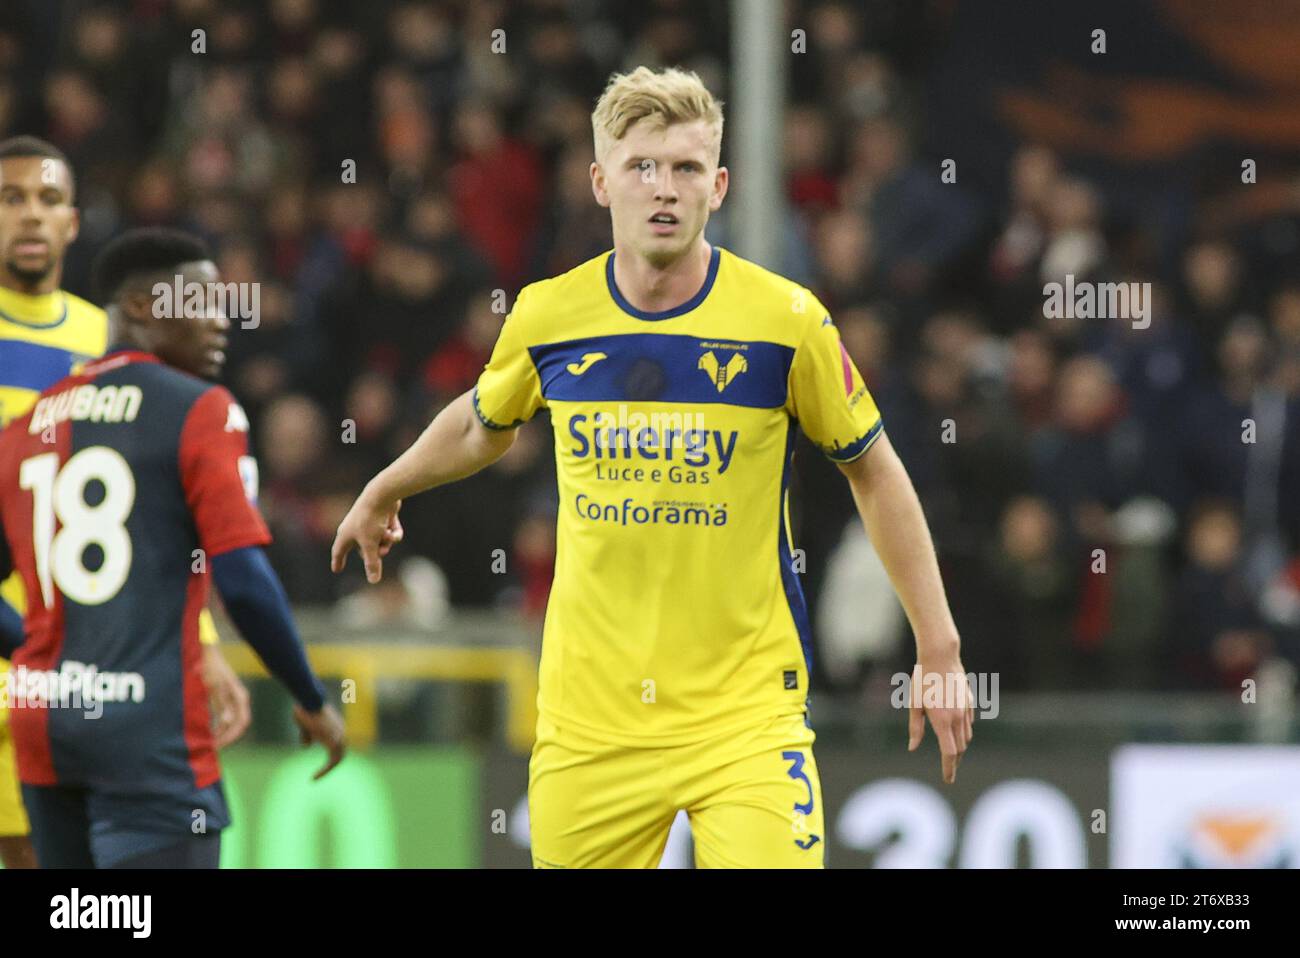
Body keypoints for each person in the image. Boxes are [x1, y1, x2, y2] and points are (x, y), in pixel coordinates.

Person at [332, 67, 972, 869]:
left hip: (745, 722)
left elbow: (876, 471)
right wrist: (387, 484)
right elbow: (481, 421)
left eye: (685, 168)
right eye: (641, 167)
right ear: (601, 183)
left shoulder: (787, 321)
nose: (663, 189)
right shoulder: (548, 314)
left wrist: (938, 649)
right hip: (589, 725)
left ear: (720, 184)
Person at [0, 227, 345, 868]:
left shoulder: (28, 426)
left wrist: (40, 656)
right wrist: (310, 696)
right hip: (149, 733)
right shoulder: (201, 410)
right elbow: (242, 580)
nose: (221, 322)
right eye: (201, 301)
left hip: (47, 723)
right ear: (138, 308)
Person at [0, 136, 250, 869]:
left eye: (48, 201)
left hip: (86, 678)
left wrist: (200, 648)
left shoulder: (103, 341)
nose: (31, 217)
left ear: (74, 223)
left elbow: (157, 521)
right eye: (11, 199)